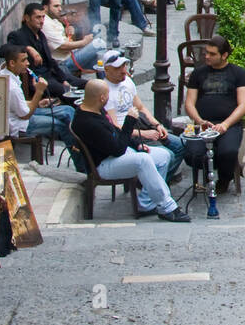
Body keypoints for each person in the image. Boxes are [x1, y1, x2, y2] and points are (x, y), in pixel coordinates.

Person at [69, 80, 190, 222]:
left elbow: (115, 131)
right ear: (101, 97)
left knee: (163, 156)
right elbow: (118, 149)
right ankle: (167, 207)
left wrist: (137, 145)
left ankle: (146, 203)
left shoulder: (96, 109)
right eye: (107, 94)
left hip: (114, 154)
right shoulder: (88, 122)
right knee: (143, 161)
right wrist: (130, 121)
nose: (108, 98)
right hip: (103, 165)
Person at [100, 50, 184, 179]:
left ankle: (158, 183)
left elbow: (141, 107)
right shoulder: (105, 91)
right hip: (129, 135)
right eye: (118, 68)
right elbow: (115, 127)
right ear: (107, 69)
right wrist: (145, 134)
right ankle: (154, 186)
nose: (123, 70)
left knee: (180, 145)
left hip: (142, 125)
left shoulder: (127, 81)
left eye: (124, 65)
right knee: (168, 155)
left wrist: (157, 124)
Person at [183, 35, 245, 195]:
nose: (207, 56)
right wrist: (199, 121)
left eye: (212, 54)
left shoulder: (238, 73)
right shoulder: (198, 73)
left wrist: (225, 124)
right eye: (206, 53)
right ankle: (208, 174)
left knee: (227, 152)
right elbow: (189, 103)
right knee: (192, 155)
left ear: (224, 55)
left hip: (229, 124)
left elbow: (243, 105)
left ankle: (225, 179)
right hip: (203, 124)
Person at [8, 2, 87, 98]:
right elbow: (3, 50)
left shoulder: (41, 35)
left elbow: (51, 61)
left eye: (43, 17)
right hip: (38, 80)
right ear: (27, 18)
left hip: (51, 74)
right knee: (66, 92)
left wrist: (63, 79)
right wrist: (27, 48)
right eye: (38, 17)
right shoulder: (17, 35)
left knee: (86, 84)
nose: (41, 21)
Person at [0, 44, 73, 142]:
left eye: (27, 59)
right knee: (61, 126)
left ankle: (82, 141)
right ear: (12, 63)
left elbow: (16, 104)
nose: (28, 63)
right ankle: (78, 153)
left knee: (67, 110)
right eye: (23, 60)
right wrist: (39, 92)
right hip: (20, 126)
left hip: (21, 115)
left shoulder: (6, 74)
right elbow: (25, 115)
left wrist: (37, 103)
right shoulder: (12, 87)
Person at [41, 0, 98, 78]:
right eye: (56, 6)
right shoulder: (45, 23)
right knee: (98, 44)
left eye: (60, 6)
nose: (60, 9)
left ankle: (100, 83)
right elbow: (62, 46)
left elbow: (63, 37)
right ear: (45, 7)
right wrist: (84, 42)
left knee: (98, 58)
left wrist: (69, 29)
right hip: (63, 62)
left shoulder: (53, 20)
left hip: (70, 55)